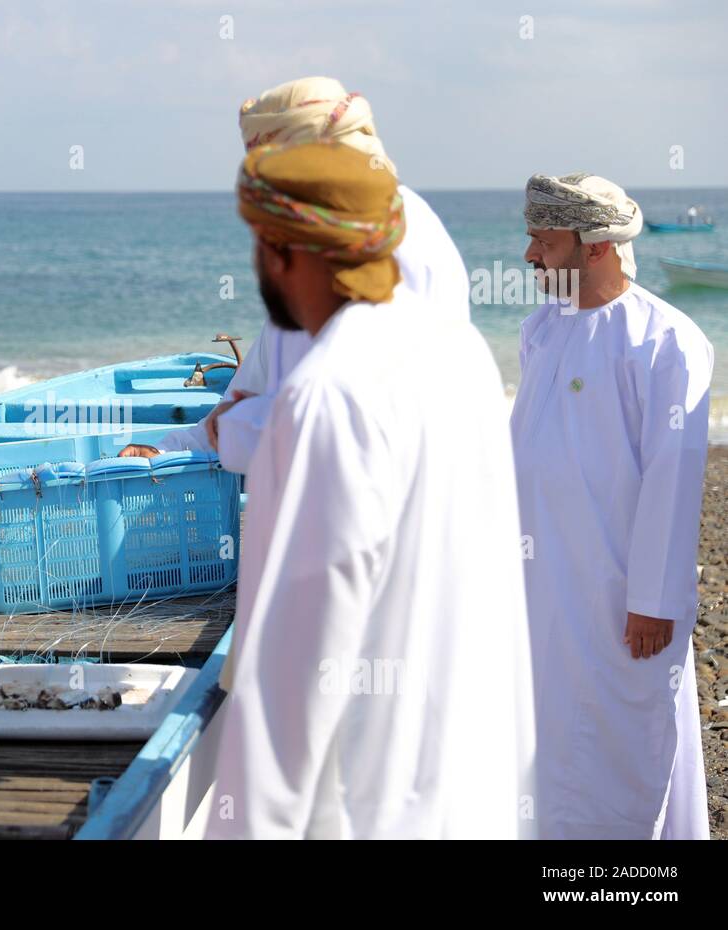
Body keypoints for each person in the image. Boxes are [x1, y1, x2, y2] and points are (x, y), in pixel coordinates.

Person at [205, 142, 535, 839]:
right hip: (472, 783)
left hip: (369, 800)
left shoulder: (328, 392)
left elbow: (293, 668)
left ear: (282, 249)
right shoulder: (461, 351)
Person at [123, 77, 468, 467]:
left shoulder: (396, 239)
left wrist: (242, 424)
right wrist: (169, 448)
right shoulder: (317, 252)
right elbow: (249, 395)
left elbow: (353, 419)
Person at [513, 172, 712, 839]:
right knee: (546, 733)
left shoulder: (666, 341)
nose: (529, 255)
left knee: (626, 741)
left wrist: (653, 598)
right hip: (543, 582)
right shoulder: (539, 329)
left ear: (594, 246)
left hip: (622, 594)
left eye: (543, 239)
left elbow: (674, 473)